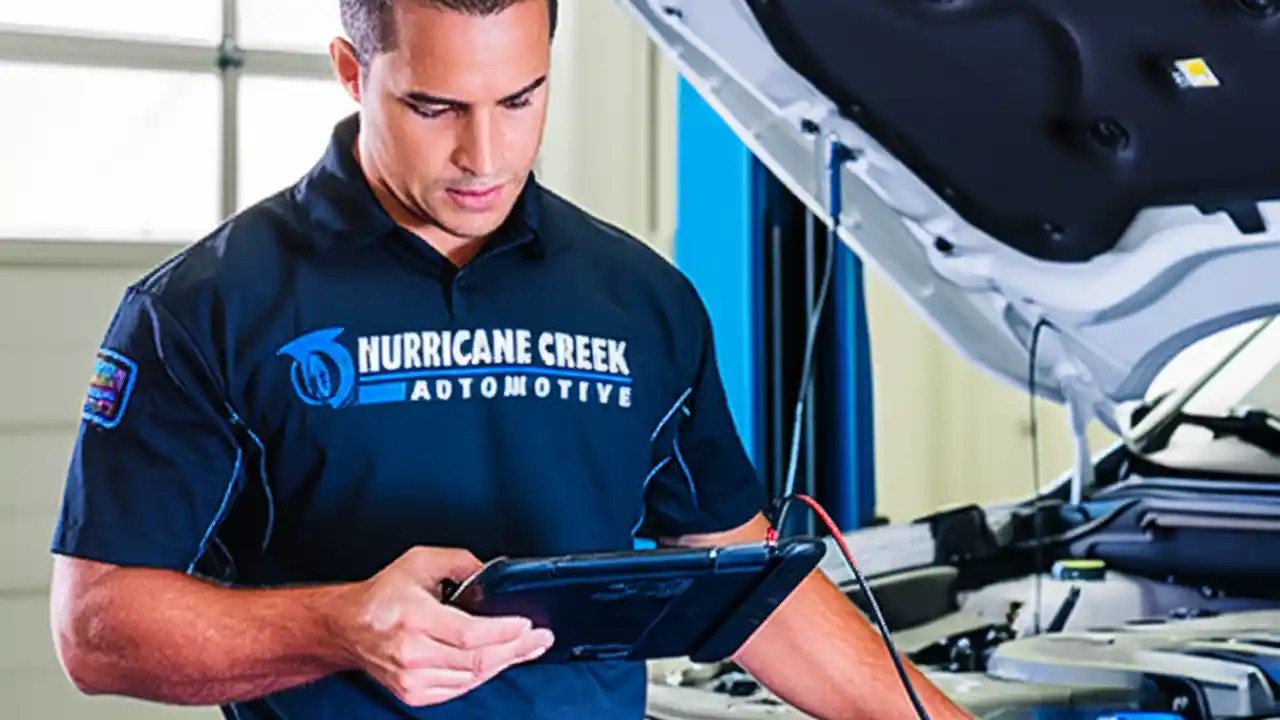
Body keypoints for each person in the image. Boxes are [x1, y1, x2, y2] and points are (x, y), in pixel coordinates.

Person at [49, 0, 973, 718]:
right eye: (435, 106)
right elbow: (97, 629)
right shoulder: (207, 308)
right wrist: (338, 626)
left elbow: (748, 581)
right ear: (352, 71)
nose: (484, 156)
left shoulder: (641, 301)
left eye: (520, 99)